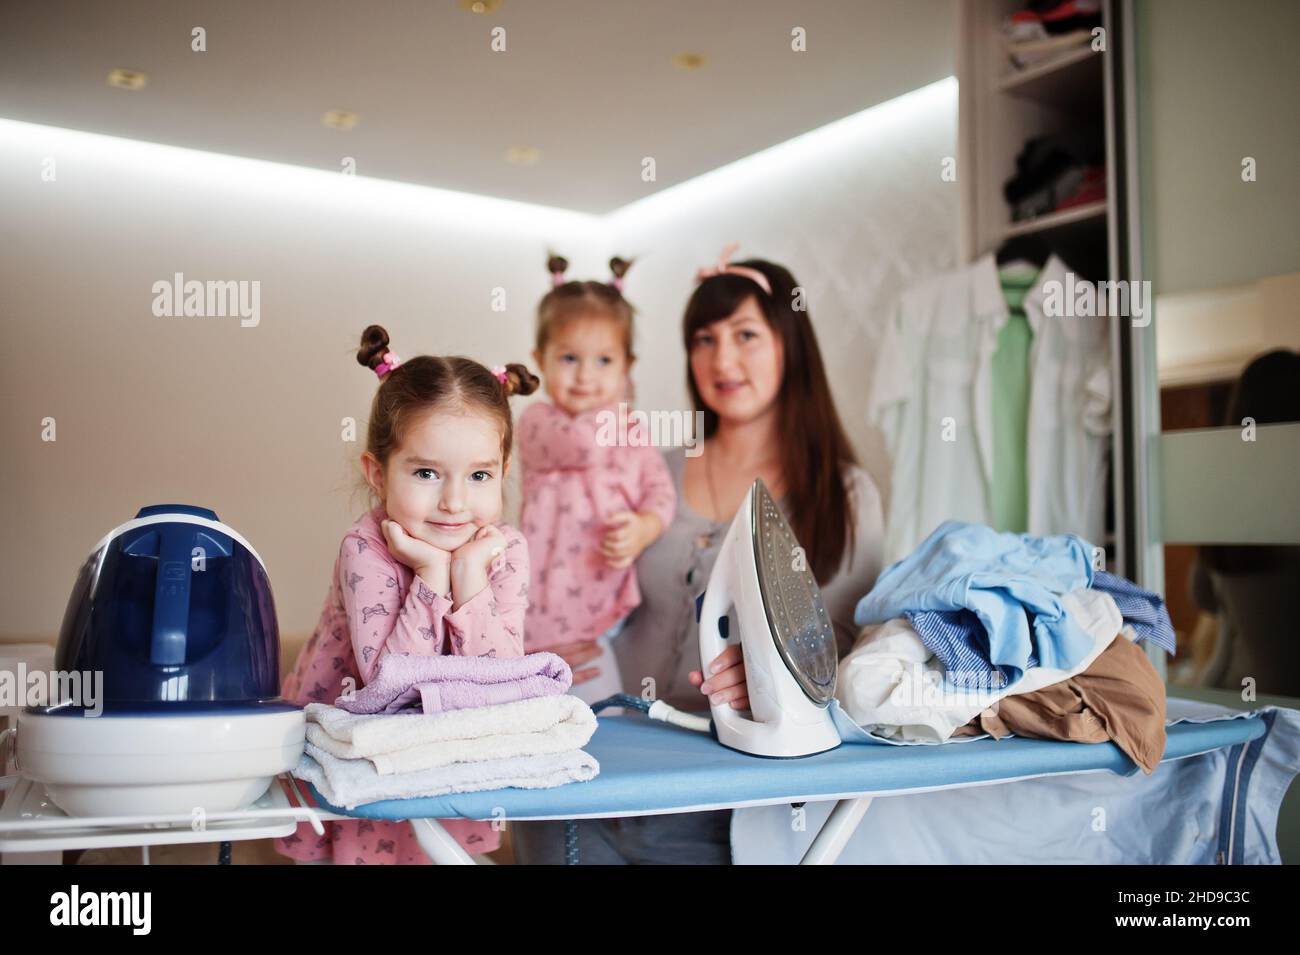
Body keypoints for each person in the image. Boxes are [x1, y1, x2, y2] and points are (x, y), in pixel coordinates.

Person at [512, 246, 885, 864]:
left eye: (745, 335)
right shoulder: (646, 468)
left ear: (791, 345)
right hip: (585, 768)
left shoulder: (842, 495)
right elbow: (563, 567)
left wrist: (774, 676)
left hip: (720, 798)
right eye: (704, 339)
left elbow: (844, 657)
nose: (722, 359)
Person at [276, 324, 539, 864]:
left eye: (480, 476)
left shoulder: (503, 550)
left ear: (504, 471)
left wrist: (468, 576)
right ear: (378, 473)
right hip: (357, 754)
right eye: (425, 472)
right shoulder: (366, 547)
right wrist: (430, 575)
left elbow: (504, 684)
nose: (454, 502)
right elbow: (386, 688)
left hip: (442, 756)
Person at [516, 253, 676, 705]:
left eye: (604, 360)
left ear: (627, 364)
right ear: (540, 361)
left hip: (603, 598)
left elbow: (660, 492)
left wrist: (644, 526)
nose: (585, 376)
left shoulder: (633, 430)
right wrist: (621, 402)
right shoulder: (537, 421)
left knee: (601, 704)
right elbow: (584, 444)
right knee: (546, 697)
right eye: (569, 358)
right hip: (543, 600)